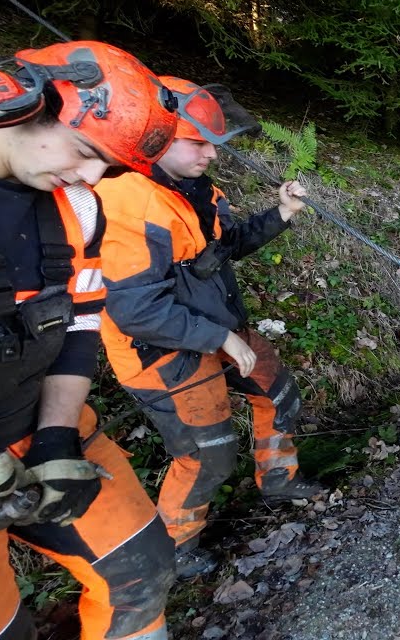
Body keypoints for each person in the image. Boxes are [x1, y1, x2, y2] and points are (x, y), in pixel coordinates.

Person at [0, 41, 180, 640]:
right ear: (28, 104)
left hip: (27, 420)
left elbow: (79, 325)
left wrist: (58, 436)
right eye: (88, 152)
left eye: (109, 169)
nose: (91, 177)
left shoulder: (79, 205)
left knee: (140, 570)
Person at [96, 76, 325, 579]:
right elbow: (134, 310)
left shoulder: (197, 191)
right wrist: (217, 338)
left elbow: (224, 247)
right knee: (207, 454)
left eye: (213, 144)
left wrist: (281, 214)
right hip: (158, 351)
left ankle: (279, 478)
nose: (212, 155)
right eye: (198, 143)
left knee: (278, 392)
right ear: (156, 137)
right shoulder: (125, 204)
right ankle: (175, 548)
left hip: (216, 324)